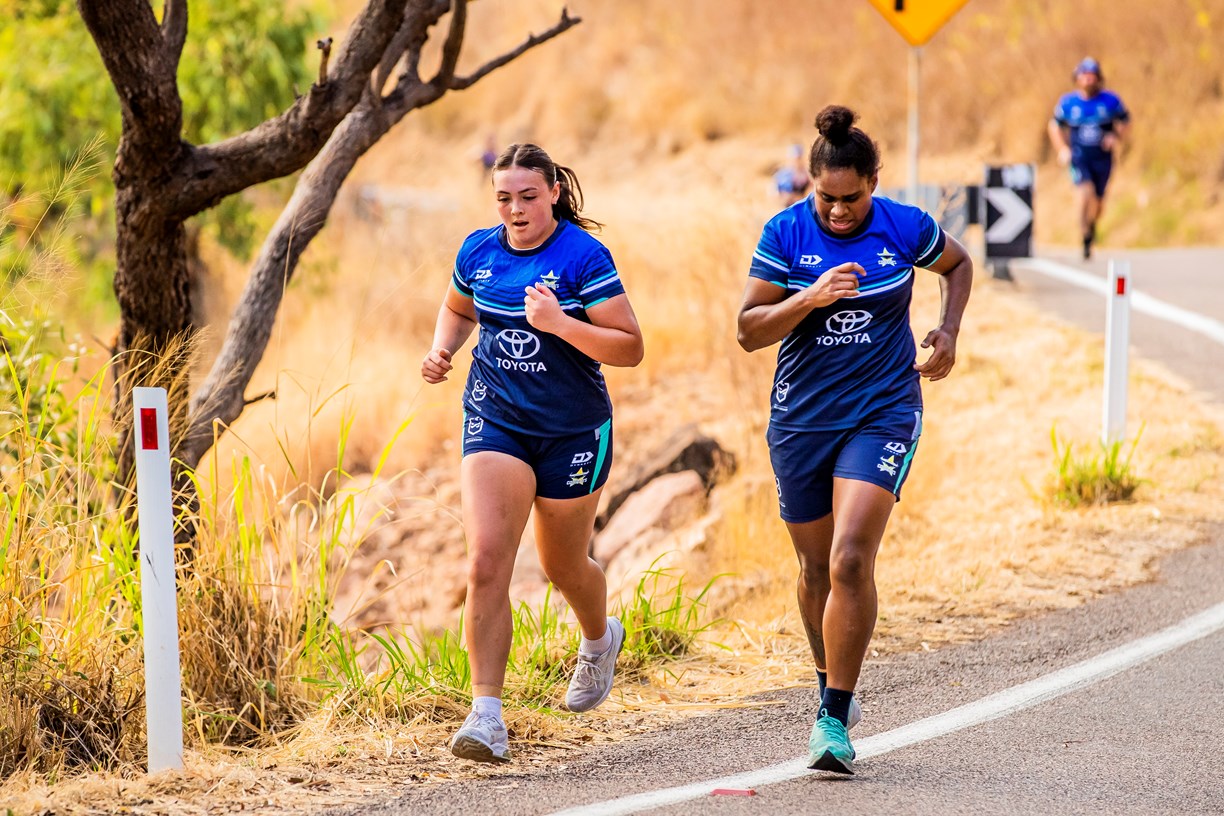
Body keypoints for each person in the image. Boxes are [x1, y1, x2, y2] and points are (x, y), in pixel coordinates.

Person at [736, 106, 973, 775]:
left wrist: (948, 329)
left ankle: (833, 718)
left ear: (875, 182)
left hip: (883, 411)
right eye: (827, 199)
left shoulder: (903, 226)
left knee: (847, 560)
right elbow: (749, 330)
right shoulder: (784, 234)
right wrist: (807, 298)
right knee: (813, 570)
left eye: (852, 198)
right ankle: (828, 680)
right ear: (810, 186)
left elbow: (958, 265)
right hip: (802, 420)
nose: (839, 212)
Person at [422, 143, 644, 764]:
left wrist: (560, 323)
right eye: (503, 198)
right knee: (487, 562)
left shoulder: (582, 257)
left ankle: (599, 640)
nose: (515, 210)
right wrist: (443, 349)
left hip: (573, 430)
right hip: (497, 419)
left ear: (552, 192)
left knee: (563, 564)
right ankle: (486, 716)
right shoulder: (479, 250)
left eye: (527, 196)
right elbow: (458, 306)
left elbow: (629, 347)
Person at [1047, 57, 1130, 259]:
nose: (1088, 81)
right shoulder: (1068, 103)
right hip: (1079, 157)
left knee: (1099, 202)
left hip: (1103, 158)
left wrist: (1115, 137)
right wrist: (1062, 149)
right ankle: (1084, 235)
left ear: (1099, 79)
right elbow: (1054, 126)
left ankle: (1092, 226)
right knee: (1085, 192)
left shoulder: (1110, 100)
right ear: (1077, 79)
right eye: (1084, 77)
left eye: (1092, 77)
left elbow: (1126, 121)